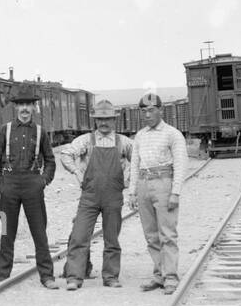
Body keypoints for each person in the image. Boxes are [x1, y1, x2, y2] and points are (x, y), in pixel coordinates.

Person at [59, 100, 132, 289]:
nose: (104, 123)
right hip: (89, 196)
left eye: (107, 119)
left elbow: (139, 160)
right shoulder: (85, 141)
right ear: (95, 120)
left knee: (112, 239)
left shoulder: (123, 142)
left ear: (114, 120)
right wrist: (76, 172)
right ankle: (75, 277)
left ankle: (111, 276)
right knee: (79, 235)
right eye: (100, 119)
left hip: (113, 196)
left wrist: (129, 179)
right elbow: (66, 154)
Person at [0, 83, 58, 289]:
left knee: (39, 232)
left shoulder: (41, 132)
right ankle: (3, 276)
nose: (25, 109)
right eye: (21, 105)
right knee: (5, 232)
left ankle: (47, 276)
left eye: (29, 104)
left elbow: (50, 160)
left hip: (32, 184)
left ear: (34, 107)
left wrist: (43, 181)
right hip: (9, 185)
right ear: (15, 107)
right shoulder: (5, 130)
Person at [128, 93, 189, 294]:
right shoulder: (140, 136)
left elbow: (181, 164)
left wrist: (176, 192)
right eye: (144, 111)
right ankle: (159, 274)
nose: (147, 115)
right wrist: (132, 192)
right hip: (144, 184)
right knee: (151, 235)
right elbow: (134, 165)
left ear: (160, 111)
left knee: (167, 234)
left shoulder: (173, 134)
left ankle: (170, 276)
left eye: (151, 110)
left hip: (164, 183)